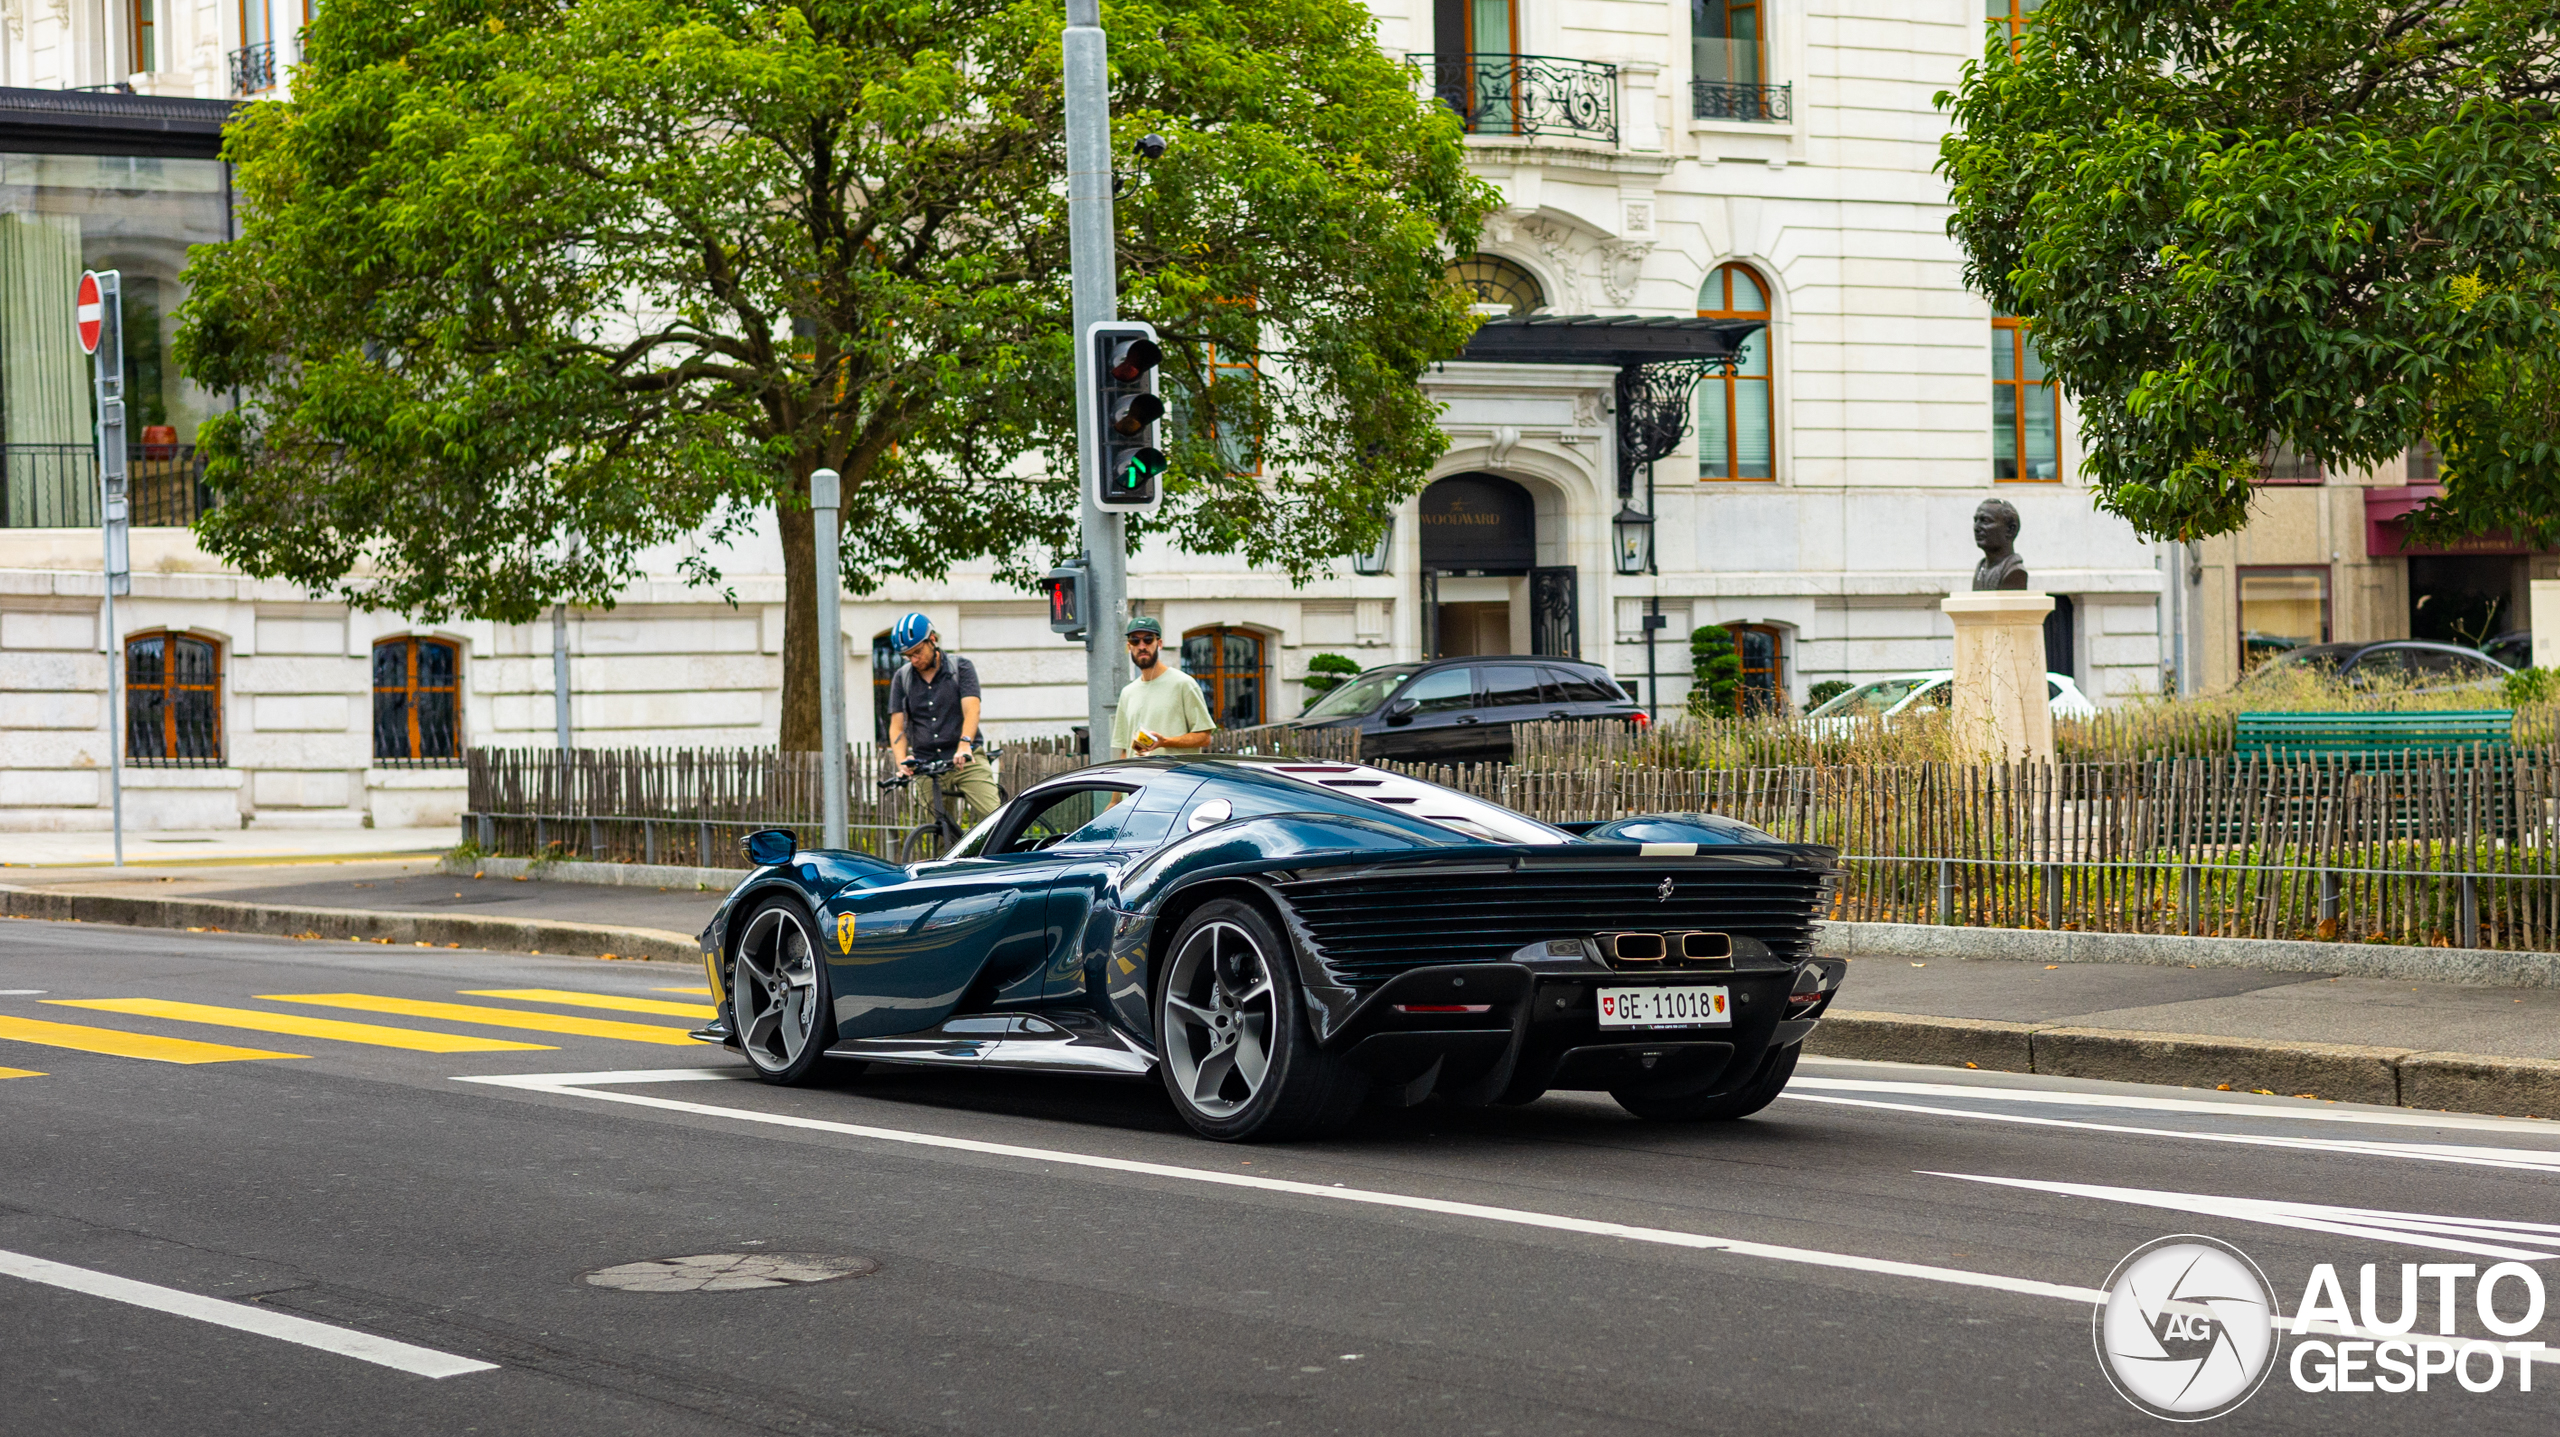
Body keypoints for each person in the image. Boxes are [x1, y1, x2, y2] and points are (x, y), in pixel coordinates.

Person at [884, 612, 1000, 829]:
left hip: (965, 759)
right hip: (927, 764)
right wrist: (901, 764)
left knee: (993, 817)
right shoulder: (902, 678)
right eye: (908, 656)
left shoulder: (961, 668)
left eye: (918, 651)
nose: (914, 659)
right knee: (936, 830)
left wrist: (965, 744)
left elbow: (972, 710)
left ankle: (1017, 855)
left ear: (933, 640)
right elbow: (897, 726)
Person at [1111, 616, 1216, 759]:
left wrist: (1165, 742)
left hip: (1172, 778)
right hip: (1137, 778)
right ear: (1129, 646)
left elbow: (1204, 737)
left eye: (1148, 639)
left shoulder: (1183, 684)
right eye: (1135, 640)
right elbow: (1125, 751)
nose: (1142, 646)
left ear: (1159, 643)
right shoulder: (1127, 692)